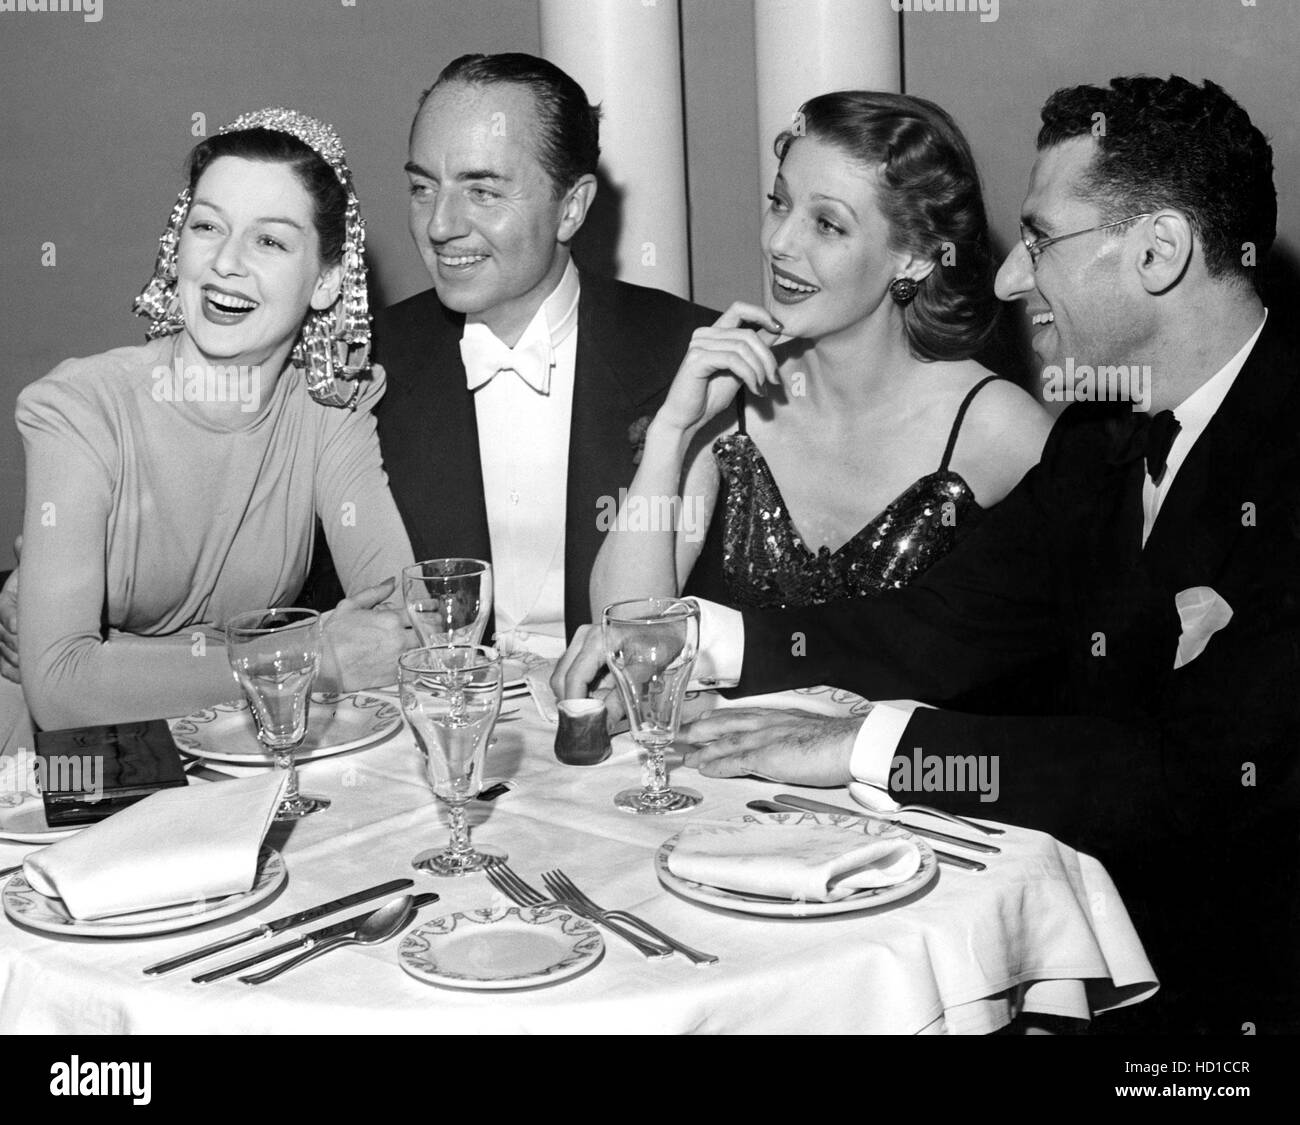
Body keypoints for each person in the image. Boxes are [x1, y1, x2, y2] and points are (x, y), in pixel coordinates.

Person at [556, 75, 1300, 1032]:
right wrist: (703, 631)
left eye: (1041, 240)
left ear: (1159, 252)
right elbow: (940, 627)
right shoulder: (1100, 439)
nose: (1007, 278)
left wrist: (864, 744)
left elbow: (1181, 772)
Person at [0, 108, 413, 754]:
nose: (225, 262)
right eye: (207, 226)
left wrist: (131, 660)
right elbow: (60, 689)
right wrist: (313, 653)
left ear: (328, 280)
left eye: (269, 241)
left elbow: (400, 626)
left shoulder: (329, 408)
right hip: (57, 773)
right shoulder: (83, 407)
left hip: (229, 746)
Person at [589, 92, 1050, 616]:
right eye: (779, 202)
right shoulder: (729, 403)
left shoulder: (997, 427)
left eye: (828, 224)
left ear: (916, 257)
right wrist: (672, 430)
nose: (780, 242)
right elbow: (624, 631)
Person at [368, 53, 715, 659]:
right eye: (423, 188)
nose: (440, 225)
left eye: (482, 190)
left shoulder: (685, 354)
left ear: (572, 207)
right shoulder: (366, 364)